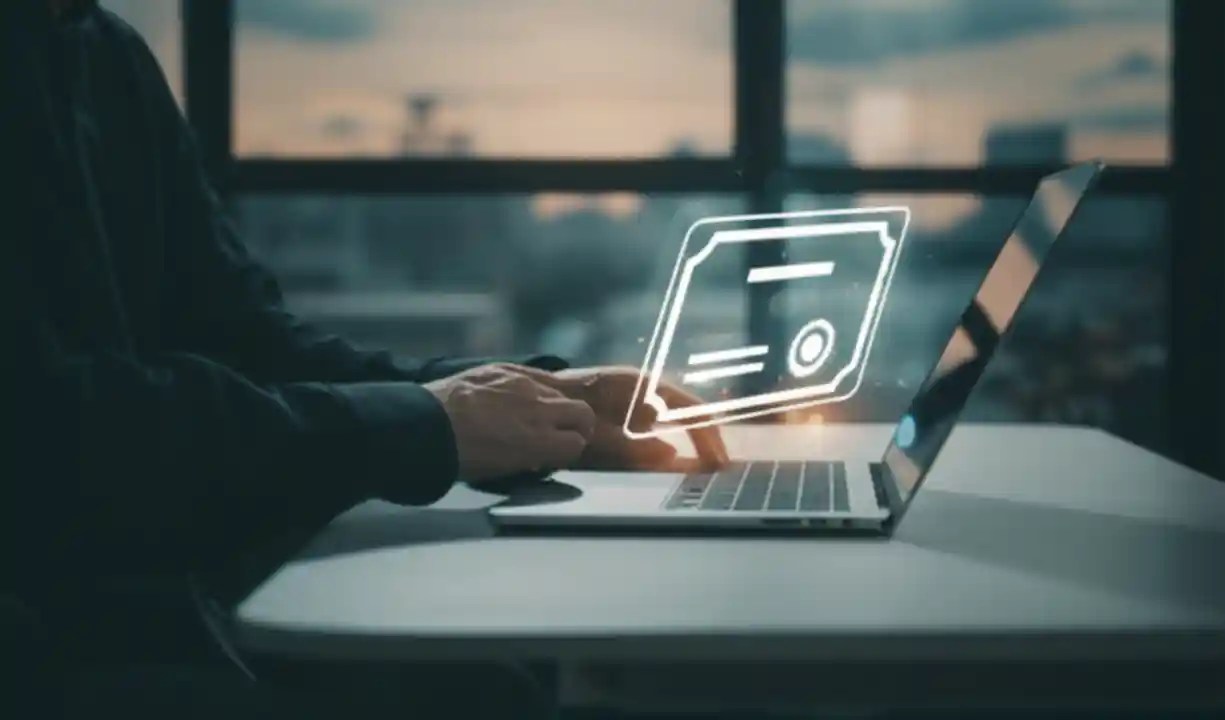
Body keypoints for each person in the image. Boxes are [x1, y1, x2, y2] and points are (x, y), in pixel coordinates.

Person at [3, 1, 727, 717]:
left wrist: (521, 396)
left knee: (493, 682)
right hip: (54, 650)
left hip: (152, 608)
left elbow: (249, 341)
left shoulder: (104, 53)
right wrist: (426, 423)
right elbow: (57, 439)